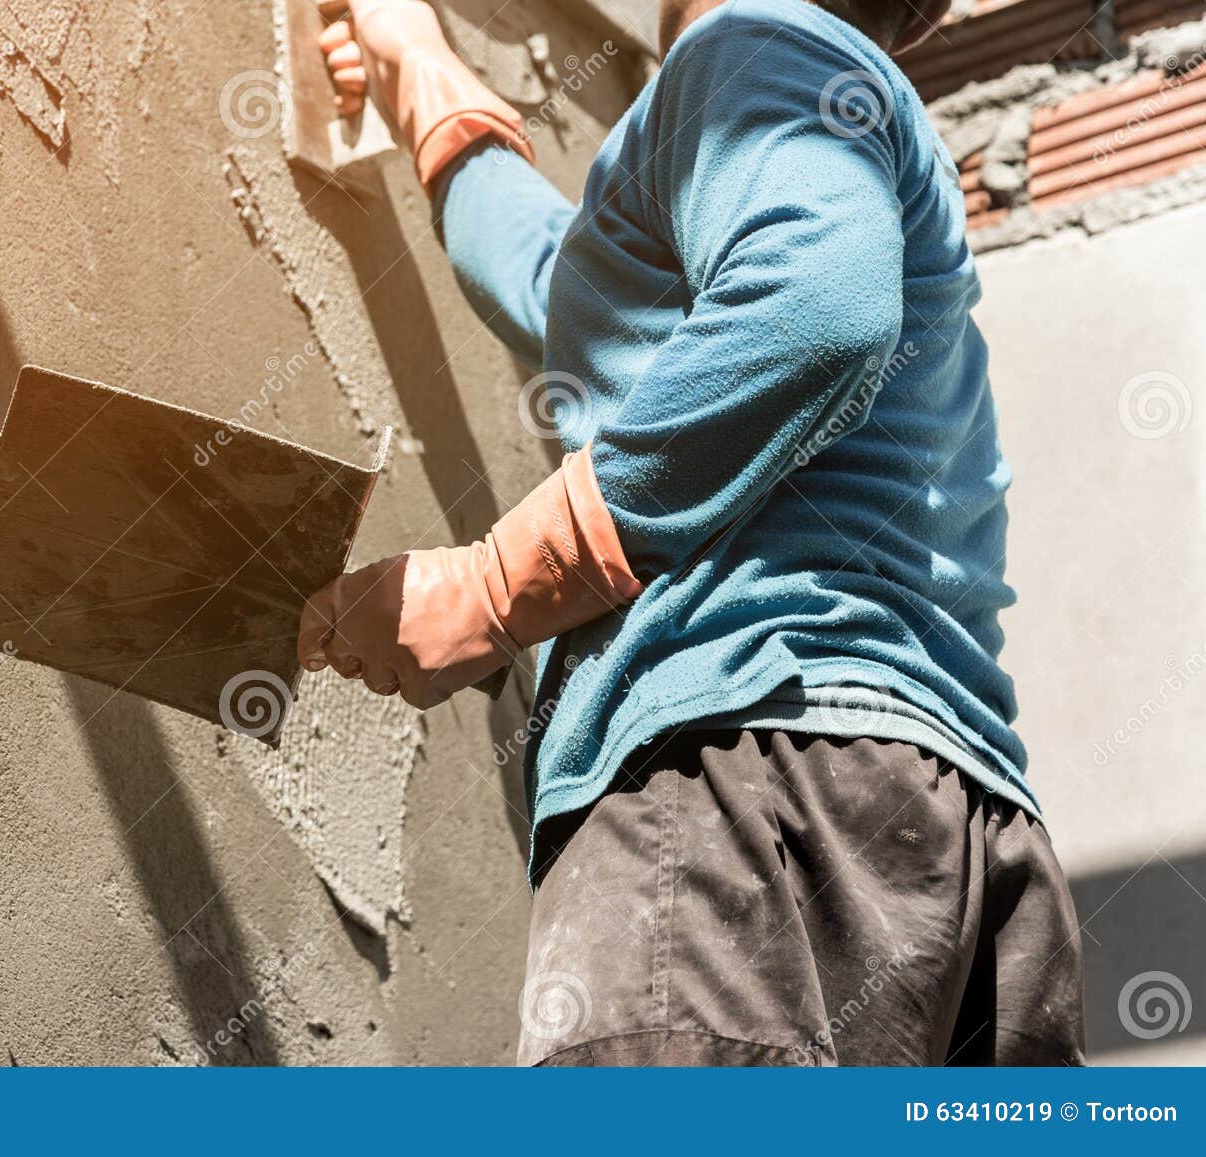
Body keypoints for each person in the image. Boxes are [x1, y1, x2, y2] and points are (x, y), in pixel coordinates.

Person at [296, 0, 1086, 1066]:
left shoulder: (757, 37)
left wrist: (496, 587)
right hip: (952, 837)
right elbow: (566, 289)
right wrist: (415, 66)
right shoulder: (795, 95)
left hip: (752, 785)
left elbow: (813, 310)